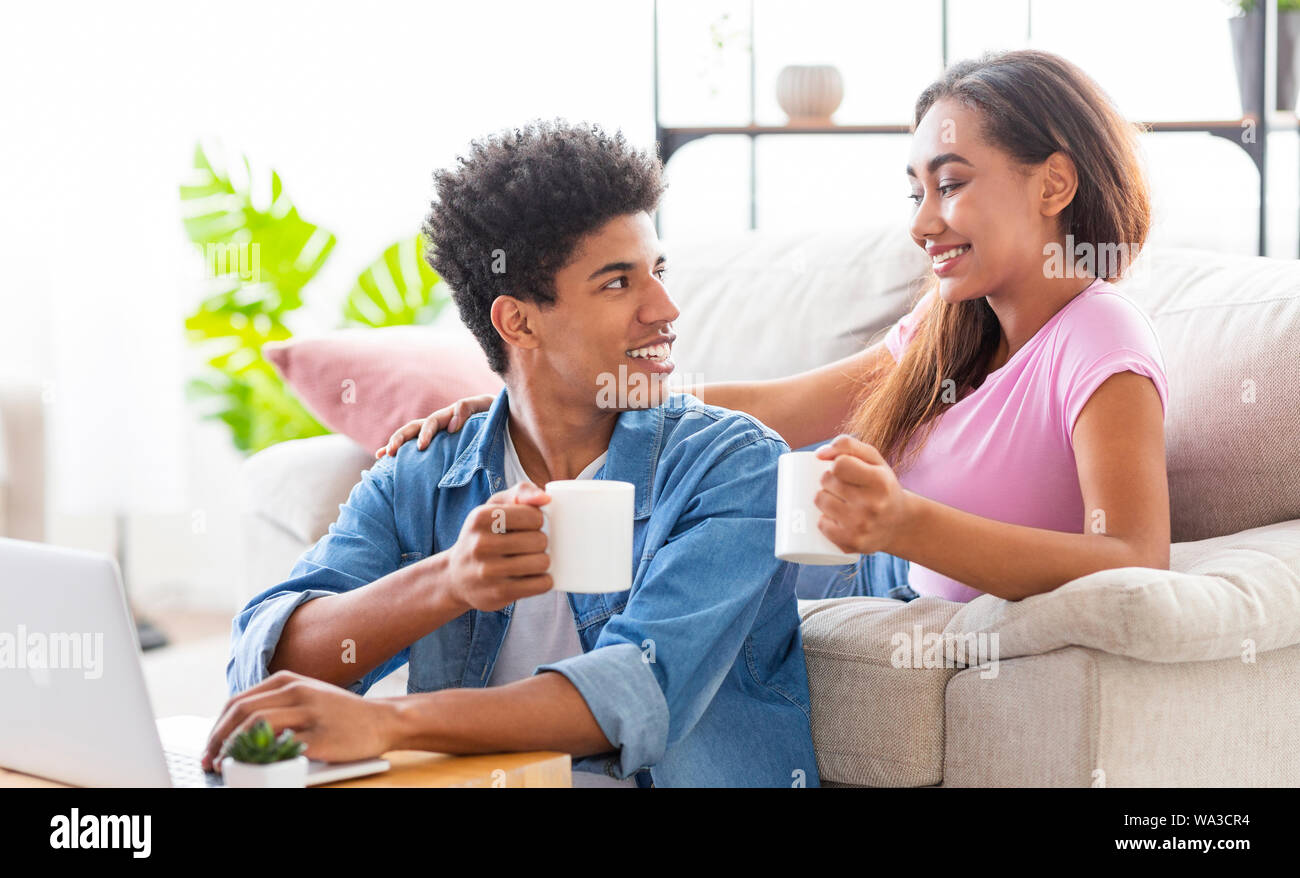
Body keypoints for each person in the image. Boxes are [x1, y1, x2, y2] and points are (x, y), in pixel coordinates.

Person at [378, 49, 1171, 604]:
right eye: (915, 193)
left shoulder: (1098, 337)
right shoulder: (947, 328)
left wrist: (905, 522)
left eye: (952, 185)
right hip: (839, 580)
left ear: (1055, 184)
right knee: (646, 488)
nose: (924, 222)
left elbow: (1136, 558)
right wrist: (520, 412)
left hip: (872, 583)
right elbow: (775, 406)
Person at [205, 119, 820, 788]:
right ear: (517, 321)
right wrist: (446, 581)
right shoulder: (427, 472)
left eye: (659, 272)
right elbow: (268, 666)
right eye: (618, 283)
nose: (665, 308)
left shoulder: (730, 466)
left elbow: (635, 691)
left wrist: (392, 724)